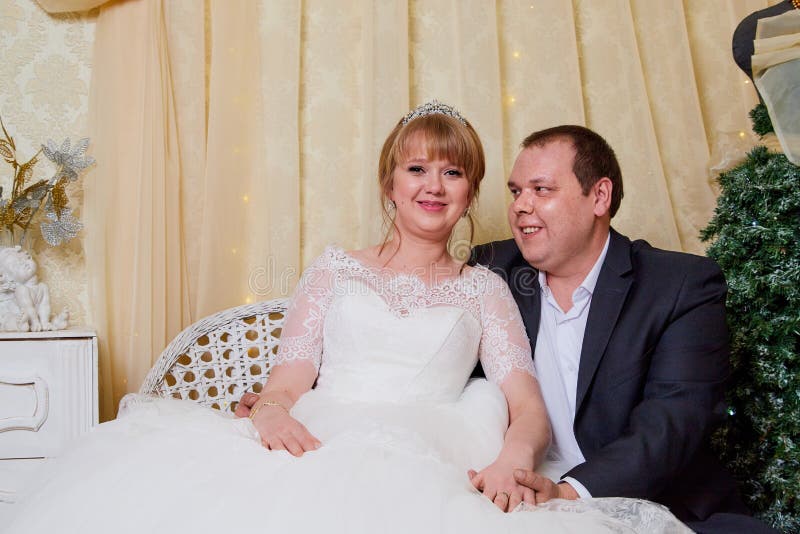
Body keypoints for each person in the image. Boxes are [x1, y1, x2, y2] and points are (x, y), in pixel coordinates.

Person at [7, 103, 686, 534]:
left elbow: (527, 406)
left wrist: (513, 458)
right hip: (322, 437)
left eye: (453, 173)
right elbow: (291, 373)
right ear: (389, 184)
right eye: (416, 168)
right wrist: (271, 410)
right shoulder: (335, 270)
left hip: (432, 457)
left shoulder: (486, 287)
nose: (432, 185)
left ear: (471, 192)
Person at [468, 125, 777, 534]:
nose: (521, 206)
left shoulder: (681, 285)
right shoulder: (490, 270)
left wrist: (567, 495)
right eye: (516, 191)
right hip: (516, 502)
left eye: (541, 190)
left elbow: (673, 421)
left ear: (599, 196)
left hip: (654, 504)